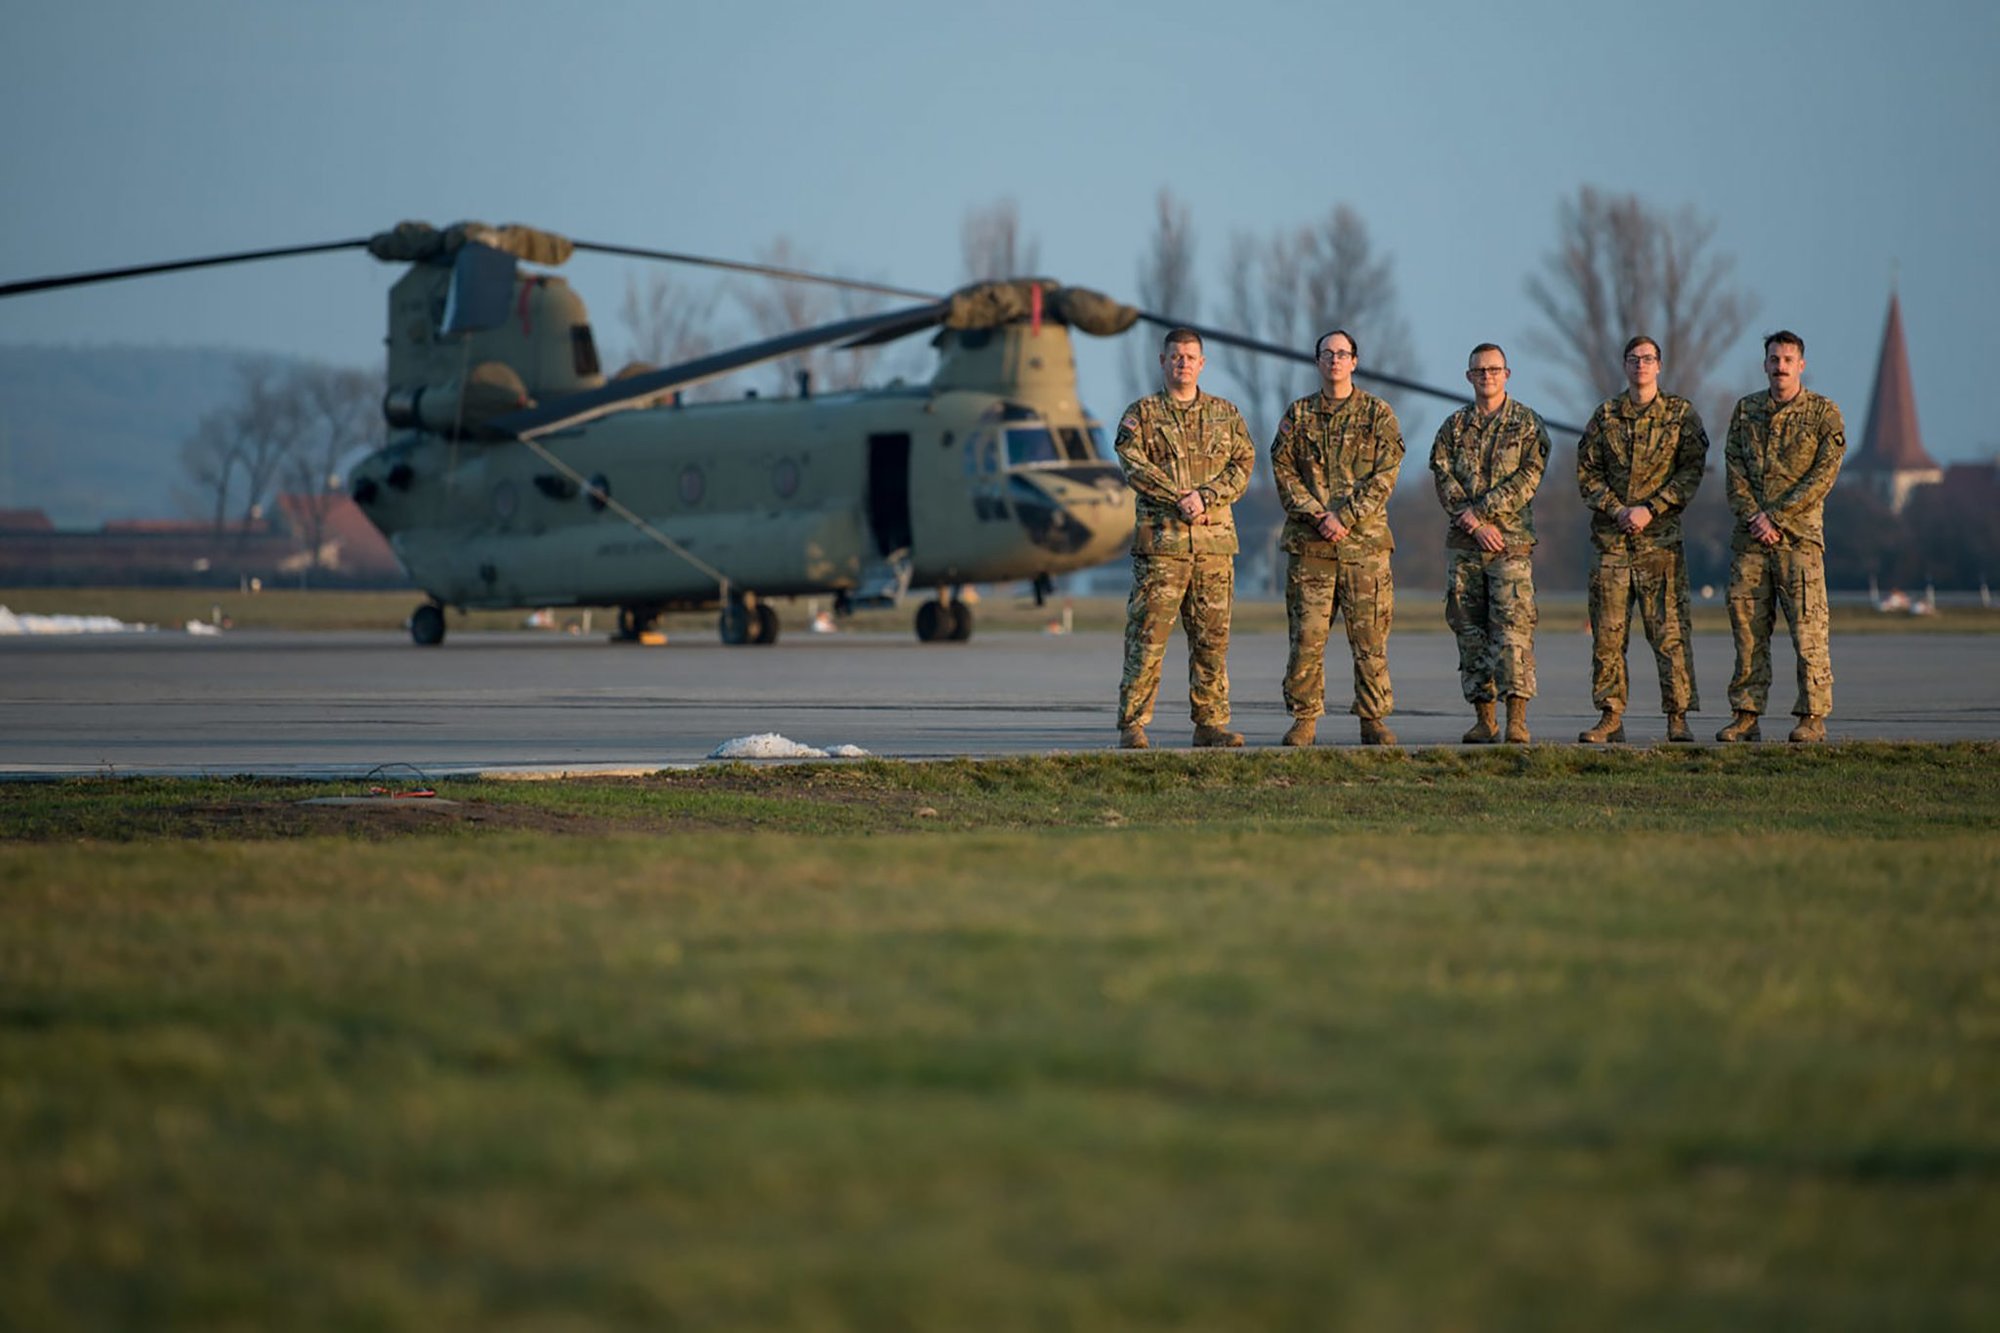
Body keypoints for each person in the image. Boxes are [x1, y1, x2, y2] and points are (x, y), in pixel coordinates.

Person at [1114, 328, 1256, 749]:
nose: (1183, 363)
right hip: (1163, 548)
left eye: (1190, 357)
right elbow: (1132, 463)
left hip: (1213, 548)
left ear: (1202, 363)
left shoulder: (1225, 414)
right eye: (1175, 357)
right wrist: (1180, 497)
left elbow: (1243, 463)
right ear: (1162, 361)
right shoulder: (1141, 415)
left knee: (1212, 641)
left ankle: (1210, 723)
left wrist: (1207, 496)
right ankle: (1133, 724)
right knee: (1148, 638)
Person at [1270, 328, 1404, 746]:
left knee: (1369, 639)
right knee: (1307, 638)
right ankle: (1305, 719)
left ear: (1355, 361)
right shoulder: (1298, 415)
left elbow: (1386, 475)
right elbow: (1283, 471)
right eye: (1327, 354)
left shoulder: (1378, 414)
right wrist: (1317, 515)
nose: (1334, 361)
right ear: (1317, 362)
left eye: (1342, 354)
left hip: (1364, 548)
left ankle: (1373, 718)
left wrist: (1345, 517)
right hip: (1311, 547)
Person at [1574, 335, 1710, 743]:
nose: (1640, 366)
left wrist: (1651, 509)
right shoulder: (1606, 416)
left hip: (1660, 544)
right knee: (1608, 635)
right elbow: (1587, 473)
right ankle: (1610, 716)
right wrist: (1618, 509)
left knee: (1669, 633)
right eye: (1633, 359)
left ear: (1660, 365)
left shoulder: (1681, 415)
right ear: (1624, 365)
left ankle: (1678, 716)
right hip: (1612, 544)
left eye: (1648, 359)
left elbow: (1691, 471)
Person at [1717, 331, 1846, 743]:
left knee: (1808, 631)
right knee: (1748, 631)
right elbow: (1733, 467)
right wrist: (1755, 517)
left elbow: (1822, 476)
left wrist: (1775, 517)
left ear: (1801, 365)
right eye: (1774, 359)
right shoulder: (1746, 411)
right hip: (1751, 541)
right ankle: (1746, 714)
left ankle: (1812, 716)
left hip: (1799, 542)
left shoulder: (1823, 414)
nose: (1781, 366)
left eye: (1788, 359)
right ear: (1765, 364)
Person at [1429, 343, 1552, 743]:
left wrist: (1481, 513)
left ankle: (1517, 718)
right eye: (1479, 371)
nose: (1487, 376)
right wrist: (1472, 521)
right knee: (1469, 631)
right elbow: (1443, 477)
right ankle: (1485, 718)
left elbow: (1528, 479)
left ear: (1507, 374)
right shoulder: (1452, 427)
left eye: (1494, 369)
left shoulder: (1528, 424)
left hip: (1509, 545)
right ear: (1469, 377)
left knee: (1513, 631)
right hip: (1465, 546)